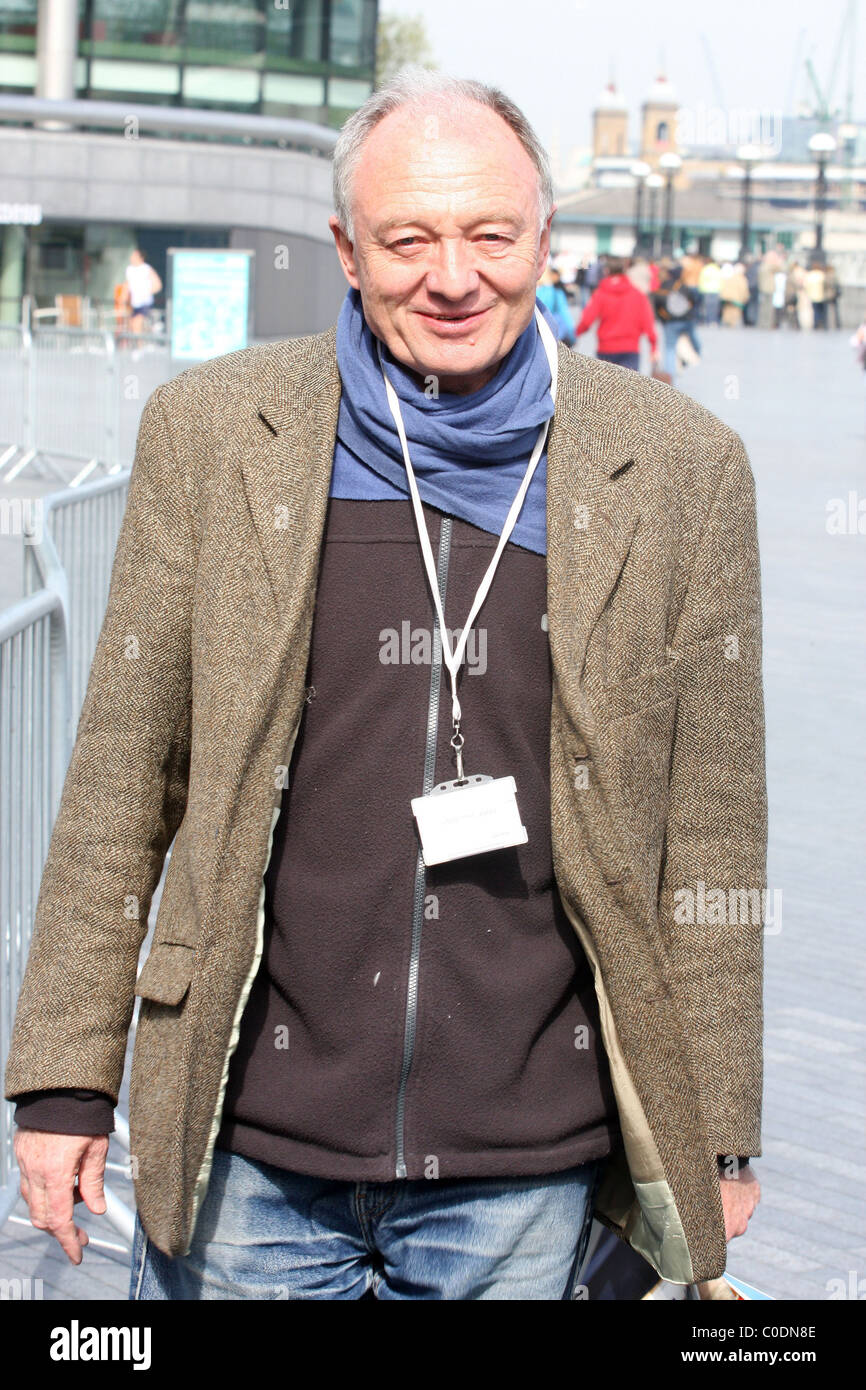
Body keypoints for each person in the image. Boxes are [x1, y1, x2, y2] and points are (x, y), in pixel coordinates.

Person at [6, 67, 765, 1302]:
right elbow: (120, 778)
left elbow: (716, 830)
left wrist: (716, 1128)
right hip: (245, 1157)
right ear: (346, 251)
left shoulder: (679, 469)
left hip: (524, 1171)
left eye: (489, 235)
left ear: (544, 242)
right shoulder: (212, 431)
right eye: (408, 238)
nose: (453, 276)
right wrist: (62, 1079)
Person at [575, 256, 659, 371]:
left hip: (606, 348)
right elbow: (647, 322)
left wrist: (574, 335)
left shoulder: (600, 294)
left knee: (606, 387)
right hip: (630, 348)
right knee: (629, 387)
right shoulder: (637, 294)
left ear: (606, 271)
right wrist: (653, 346)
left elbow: (587, 320)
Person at [650, 257, 702, 382]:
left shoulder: (663, 287)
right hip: (686, 320)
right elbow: (694, 301)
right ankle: (689, 358)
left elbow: (656, 305)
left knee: (669, 348)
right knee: (695, 343)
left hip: (670, 322)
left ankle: (669, 375)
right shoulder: (683, 287)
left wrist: (663, 319)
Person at [123, 248, 162, 334]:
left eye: (134, 256)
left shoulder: (146, 269)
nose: (132, 258)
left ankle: (139, 346)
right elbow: (127, 285)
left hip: (145, 302)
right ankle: (136, 344)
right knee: (131, 325)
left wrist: (145, 292)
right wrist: (124, 297)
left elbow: (157, 285)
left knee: (137, 324)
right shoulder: (129, 270)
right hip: (134, 303)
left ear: (141, 258)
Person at [536, 263, 576, 347]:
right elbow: (565, 314)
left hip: (535, 339)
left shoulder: (529, 294)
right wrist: (572, 336)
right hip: (555, 335)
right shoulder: (556, 293)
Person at [697, 256, 721, 325]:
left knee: (706, 306)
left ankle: (707, 320)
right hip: (716, 290)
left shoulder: (705, 269)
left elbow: (701, 279)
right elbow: (721, 280)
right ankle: (713, 321)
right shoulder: (717, 269)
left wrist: (700, 289)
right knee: (715, 307)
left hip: (706, 290)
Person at [806, 259, 827, 331]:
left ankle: (816, 324)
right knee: (821, 310)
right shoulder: (822, 275)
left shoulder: (810, 275)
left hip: (813, 296)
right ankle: (821, 323)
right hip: (821, 295)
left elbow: (807, 286)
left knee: (815, 311)